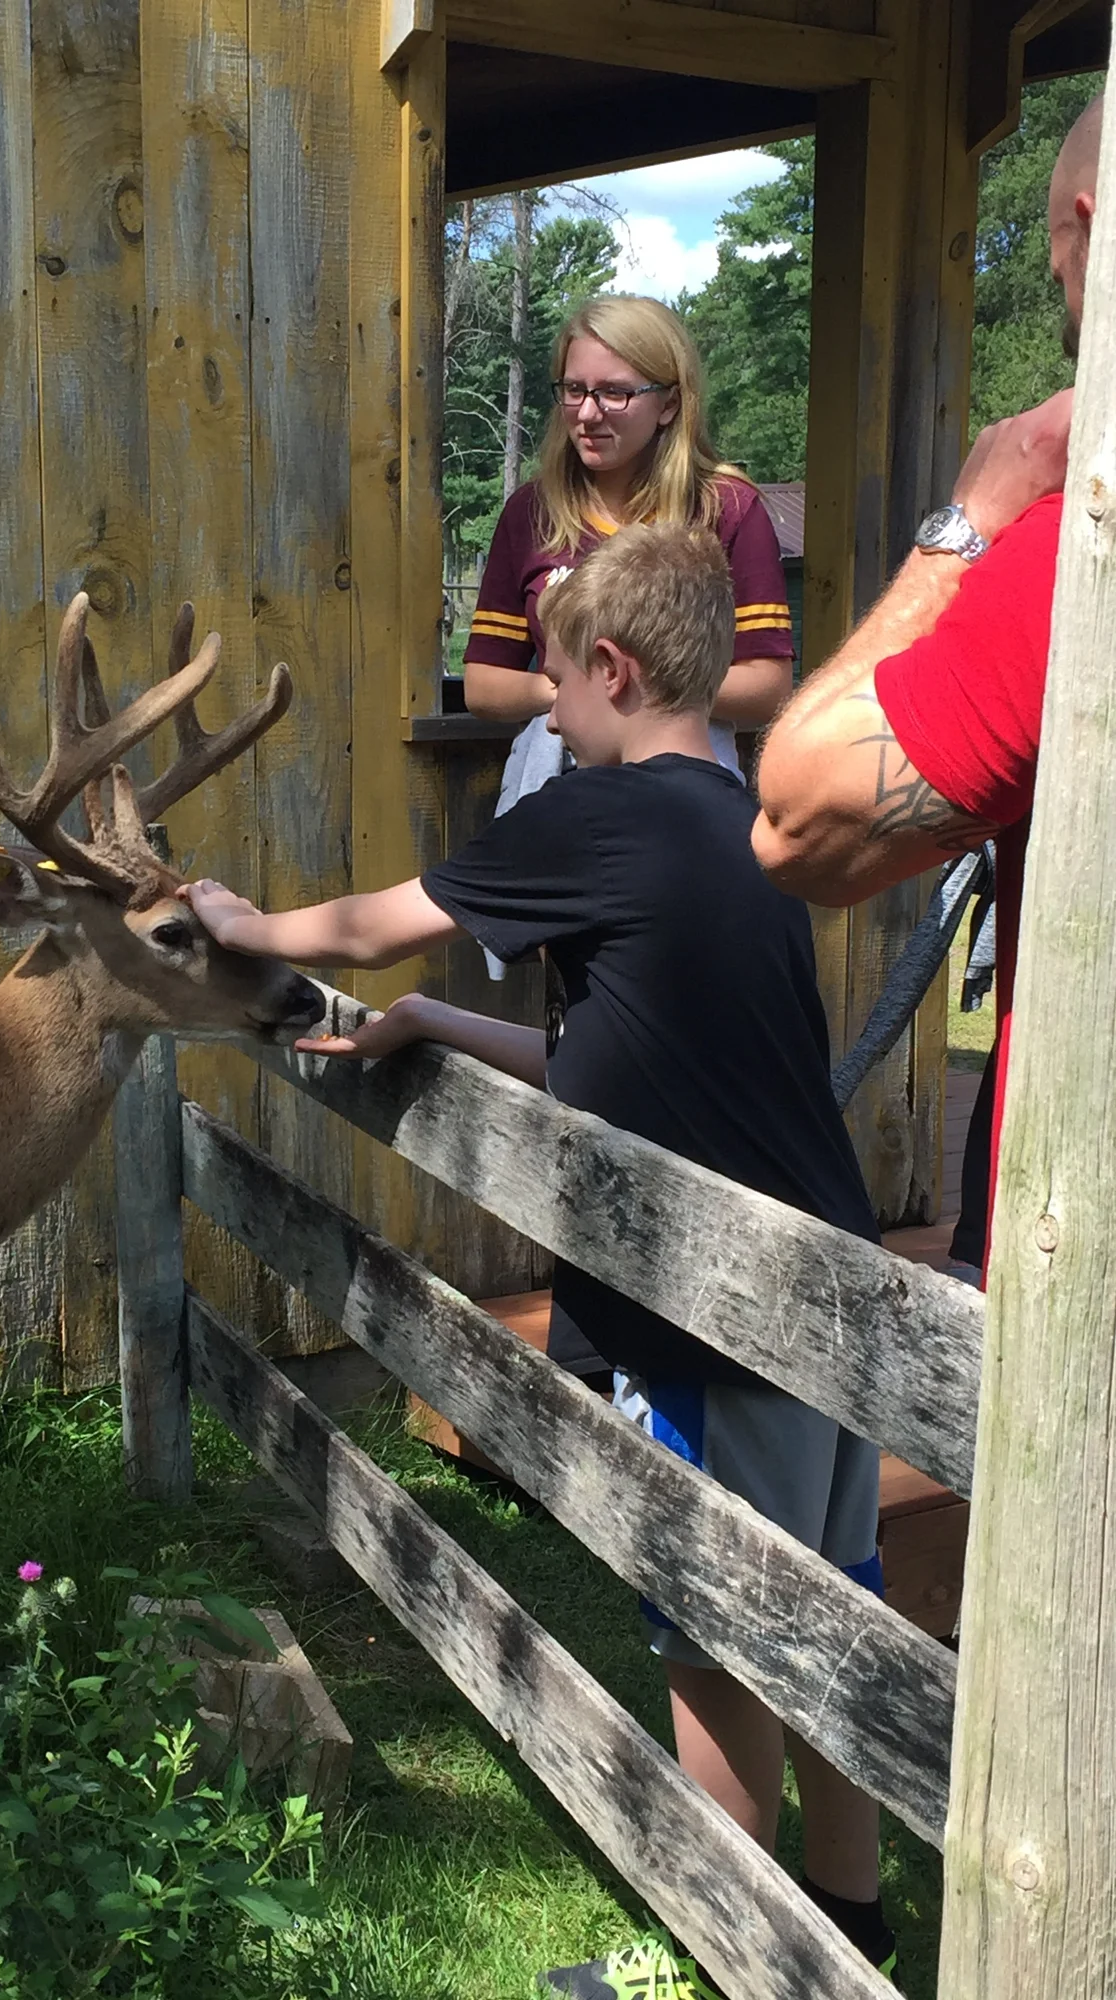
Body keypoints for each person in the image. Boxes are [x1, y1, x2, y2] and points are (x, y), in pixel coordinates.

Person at [187, 523, 901, 1998]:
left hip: (719, 1304)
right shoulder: (741, 820)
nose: (546, 719)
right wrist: (437, 1026)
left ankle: (722, 1940)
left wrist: (243, 924)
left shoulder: (599, 814)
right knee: (838, 1599)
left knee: (717, 1628)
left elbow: (378, 924)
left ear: (613, 669)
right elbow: (607, 1056)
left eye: (556, 686)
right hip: (839, 1288)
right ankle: (852, 1909)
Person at [751, 91, 1102, 1257]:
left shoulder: (1073, 556)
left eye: (1056, 268)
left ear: (1091, 231)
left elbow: (800, 823)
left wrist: (970, 518)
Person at [463, 294, 795, 789]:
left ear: (669, 403)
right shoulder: (533, 511)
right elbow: (483, 685)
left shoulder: (725, 508)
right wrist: (575, 694)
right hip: (553, 772)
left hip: (683, 776)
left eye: (615, 393)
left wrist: (636, 694)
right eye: (575, 389)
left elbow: (768, 685)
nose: (588, 414)